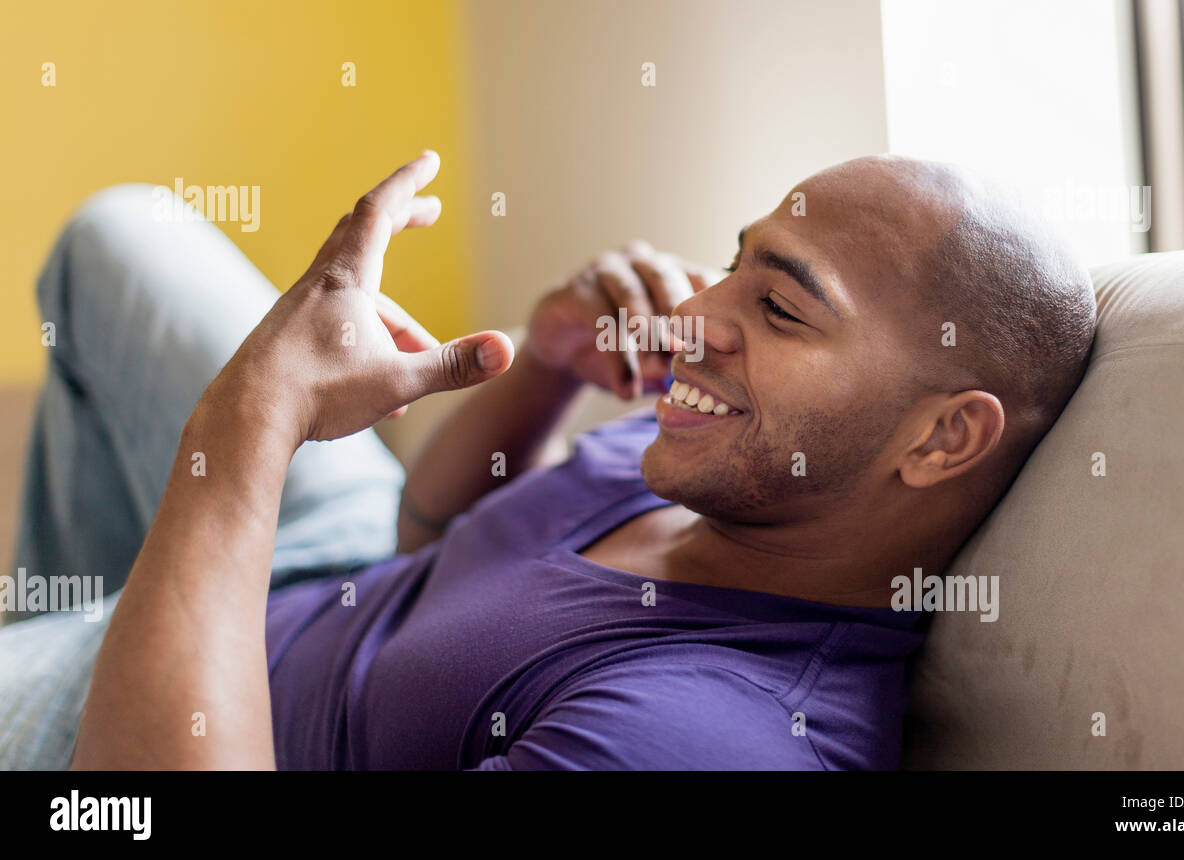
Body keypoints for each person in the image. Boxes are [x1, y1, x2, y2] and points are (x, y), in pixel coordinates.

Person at [0, 151, 1095, 770]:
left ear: (941, 435)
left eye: (775, 305)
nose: (696, 312)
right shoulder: (724, 465)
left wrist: (244, 423)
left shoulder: (702, 737)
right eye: (728, 263)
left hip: (164, 728)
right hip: (335, 575)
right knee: (122, 232)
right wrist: (547, 362)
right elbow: (428, 544)